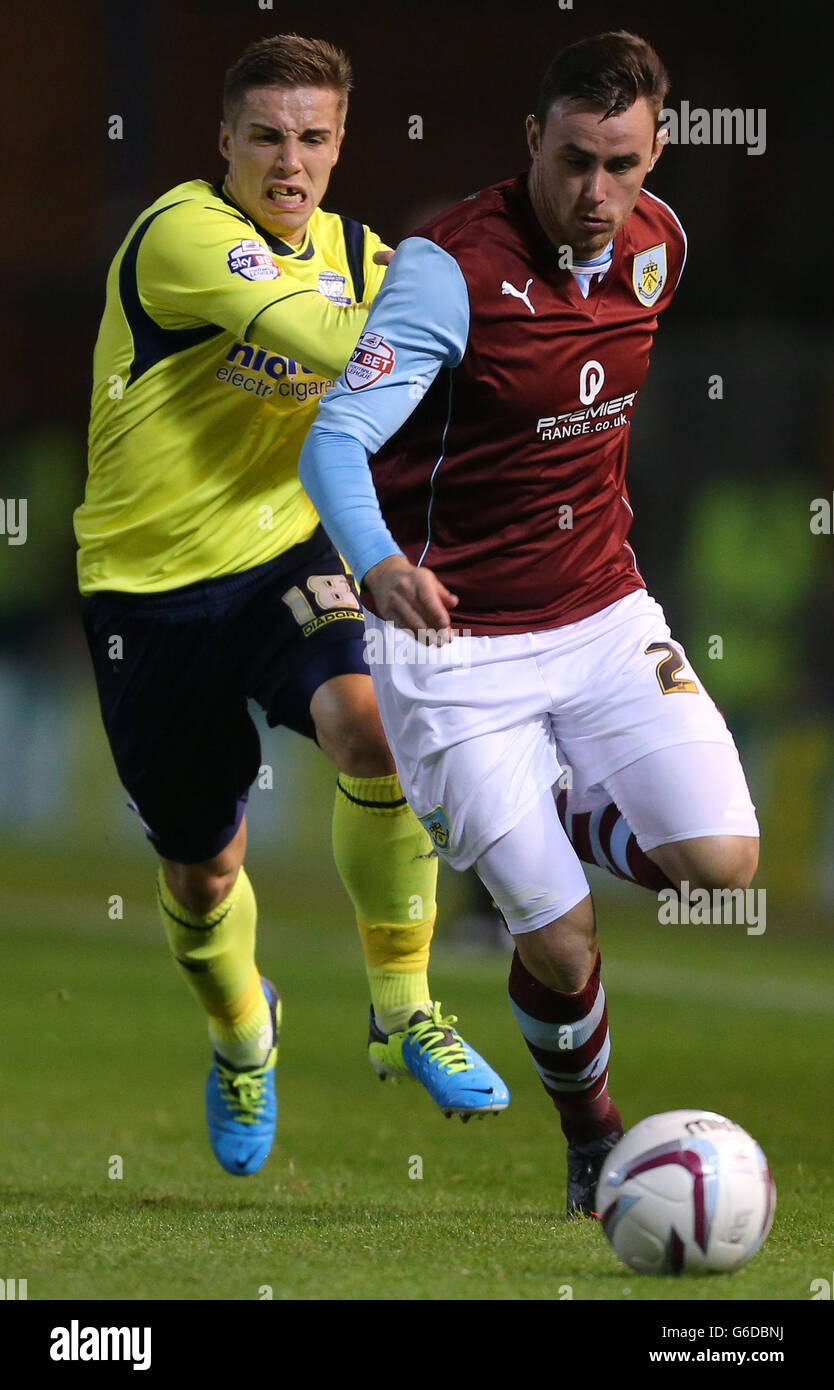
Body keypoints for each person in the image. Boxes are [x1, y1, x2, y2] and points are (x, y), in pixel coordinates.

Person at [299, 30, 760, 1216]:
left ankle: (552, 799)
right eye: (572, 162)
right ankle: (594, 1139)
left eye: (623, 163)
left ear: (658, 150)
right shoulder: (447, 270)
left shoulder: (661, 248)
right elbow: (335, 441)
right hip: (454, 651)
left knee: (722, 869)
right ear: (531, 144)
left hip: (604, 613)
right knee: (559, 944)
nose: (596, 194)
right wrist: (381, 563)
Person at [73, 33, 509, 1179]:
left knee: (371, 725)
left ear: (339, 142)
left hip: (280, 561)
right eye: (265, 136)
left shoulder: (362, 252)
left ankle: (403, 1005)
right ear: (224, 144)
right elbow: (332, 343)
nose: (289, 160)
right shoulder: (183, 234)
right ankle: (242, 1035)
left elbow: (390, 386)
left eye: (313, 137)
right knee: (204, 870)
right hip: (147, 589)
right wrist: (460, 320)